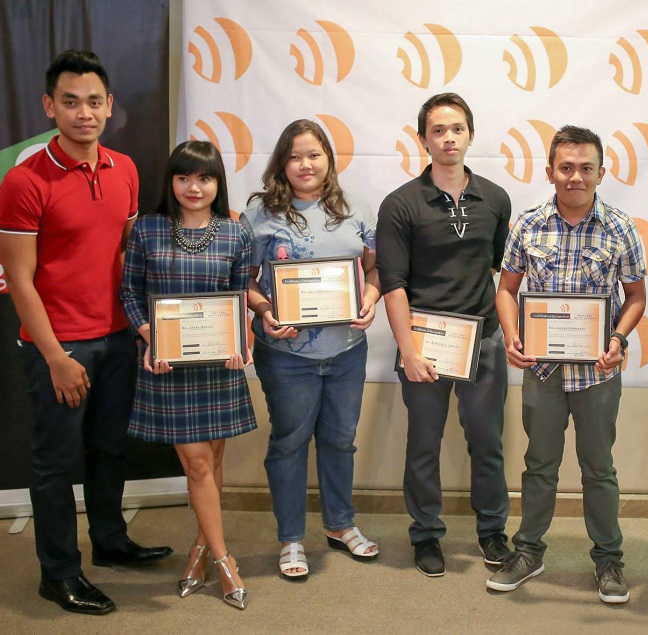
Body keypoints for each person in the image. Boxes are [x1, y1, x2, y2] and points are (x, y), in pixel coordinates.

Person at [0, 49, 171, 616]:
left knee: (108, 447)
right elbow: (20, 281)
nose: (84, 112)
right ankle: (59, 573)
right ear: (50, 106)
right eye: (70, 102)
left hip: (118, 337)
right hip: (59, 345)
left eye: (94, 102)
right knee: (54, 462)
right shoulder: (26, 180)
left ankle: (110, 541)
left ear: (109, 107)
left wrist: (144, 325)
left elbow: (124, 255)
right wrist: (55, 356)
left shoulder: (124, 168)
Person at [488, 125, 646, 603]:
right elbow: (506, 291)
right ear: (551, 171)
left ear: (601, 172)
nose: (575, 176)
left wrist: (618, 337)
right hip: (543, 372)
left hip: (599, 371)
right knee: (539, 465)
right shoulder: (528, 225)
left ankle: (609, 560)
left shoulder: (621, 228)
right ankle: (529, 551)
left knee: (599, 468)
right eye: (566, 167)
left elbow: (636, 298)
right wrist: (514, 337)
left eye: (585, 168)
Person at [376, 92, 511, 576]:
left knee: (487, 442)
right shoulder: (400, 204)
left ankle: (493, 529)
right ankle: (426, 533)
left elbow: (499, 270)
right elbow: (393, 285)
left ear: (470, 135)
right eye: (438, 130)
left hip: (485, 341)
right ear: (423, 139)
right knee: (424, 443)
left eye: (457, 128)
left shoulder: (495, 198)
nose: (448, 138)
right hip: (424, 345)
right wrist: (408, 351)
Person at [241, 119, 381, 582]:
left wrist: (370, 298)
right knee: (289, 443)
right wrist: (263, 310)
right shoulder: (260, 213)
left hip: (347, 350)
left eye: (314, 155)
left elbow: (376, 269)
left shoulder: (355, 209)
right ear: (283, 161)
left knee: (340, 440)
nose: (306, 164)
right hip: (286, 355)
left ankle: (340, 525)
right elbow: (244, 279)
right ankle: (291, 538)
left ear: (328, 160)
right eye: (296, 155)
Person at [120, 140, 256, 610]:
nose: (193, 187)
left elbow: (240, 299)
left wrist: (243, 340)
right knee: (198, 464)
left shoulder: (236, 234)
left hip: (218, 368)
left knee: (213, 461)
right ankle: (224, 561)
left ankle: (198, 549)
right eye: (183, 178)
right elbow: (130, 294)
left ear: (217, 182)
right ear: (170, 181)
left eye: (204, 178)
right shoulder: (148, 230)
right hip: (168, 368)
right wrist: (149, 337)